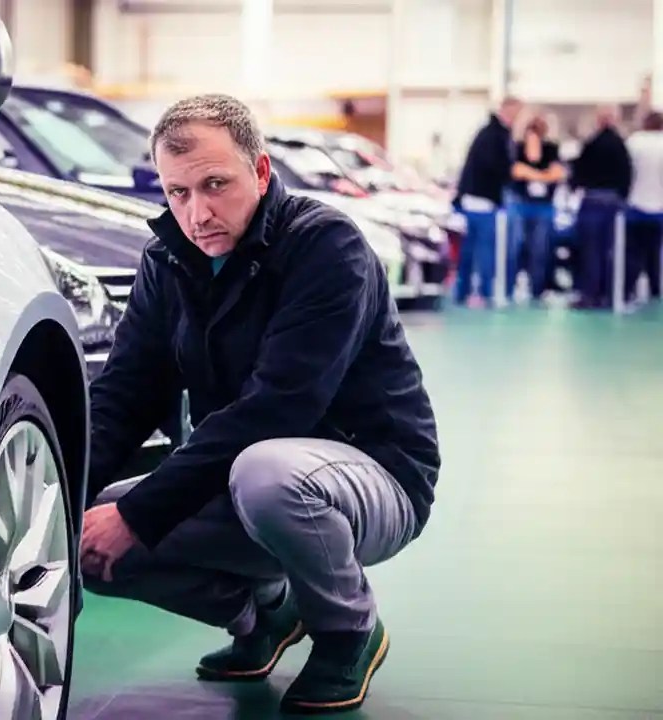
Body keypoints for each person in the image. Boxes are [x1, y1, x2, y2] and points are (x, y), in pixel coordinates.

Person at [78, 93, 440, 715]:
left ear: (261, 171)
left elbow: (278, 409)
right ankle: (267, 614)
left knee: (265, 471)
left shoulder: (326, 247)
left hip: (374, 476)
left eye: (215, 184)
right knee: (91, 542)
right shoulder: (167, 260)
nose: (198, 212)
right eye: (178, 193)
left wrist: (140, 513)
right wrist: (68, 495)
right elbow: (124, 394)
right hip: (248, 479)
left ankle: (349, 630)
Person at [453, 97, 524, 307]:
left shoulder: (486, 132)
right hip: (483, 201)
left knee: (470, 249)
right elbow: (500, 168)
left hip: (472, 200)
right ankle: (484, 292)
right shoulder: (497, 136)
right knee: (485, 250)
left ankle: (462, 292)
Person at [569, 105, 634, 309]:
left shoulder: (591, 144)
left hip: (591, 201)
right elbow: (627, 174)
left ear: (598, 119)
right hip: (613, 203)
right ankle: (610, 294)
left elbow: (578, 172)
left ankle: (590, 295)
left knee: (590, 250)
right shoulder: (621, 145)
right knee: (611, 250)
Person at [508, 113, 565, 302]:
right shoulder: (517, 149)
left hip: (543, 206)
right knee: (515, 246)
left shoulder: (551, 149)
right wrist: (542, 175)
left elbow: (557, 173)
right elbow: (517, 171)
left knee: (540, 248)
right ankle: (509, 286)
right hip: (521, 204)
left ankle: (538, 288)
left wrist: (532, 175)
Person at [624, 111, 663, 302]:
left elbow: (625, 170)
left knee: (632, 252)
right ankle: (655, 288)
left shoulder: (634, 141)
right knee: (655, 252)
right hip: (659, 209)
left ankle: (628, 287)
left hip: (634, 206)